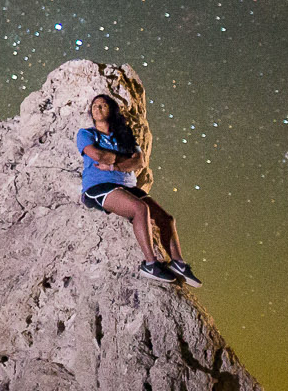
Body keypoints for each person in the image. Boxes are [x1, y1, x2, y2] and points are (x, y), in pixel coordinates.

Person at [77, 93, 202, 286]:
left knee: (166, 219)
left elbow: (139, 161)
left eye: (103, 105)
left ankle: (178, 263)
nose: (98, 108)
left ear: (111, 110)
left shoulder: (125, 136)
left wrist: (114, 165)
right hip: (99, 186)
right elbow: (98, 155)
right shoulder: (86, 134)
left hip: (127, 185)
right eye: (95, 106)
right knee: (140, 209)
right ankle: (150, 264)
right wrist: (122, 159)